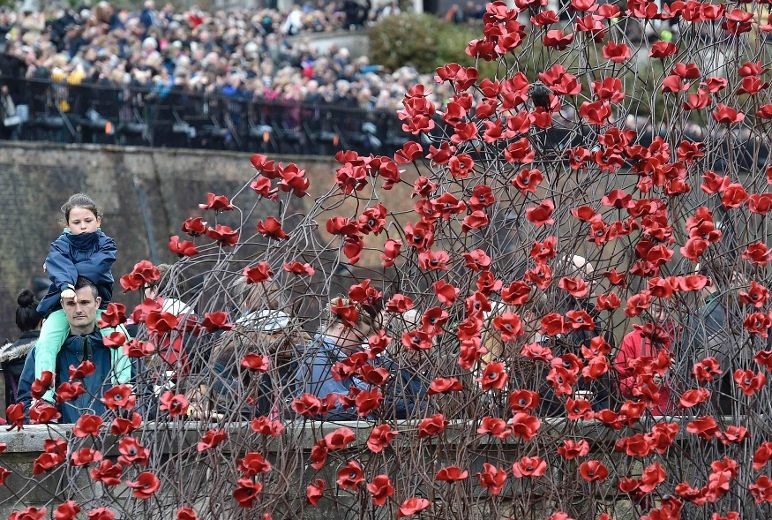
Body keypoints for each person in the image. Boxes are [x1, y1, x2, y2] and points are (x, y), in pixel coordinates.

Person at [34, 193, 117, 403]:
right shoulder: (60, 244)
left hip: (99, 306)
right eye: (77, 222)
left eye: (88, 221)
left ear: (98, 221)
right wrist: (58, 271)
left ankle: (122, 391)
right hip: (64, 308)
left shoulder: (107, 245)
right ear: (68, 225)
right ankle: (44, 399)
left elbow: (96, 270)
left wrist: (60, 272)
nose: (83, 226)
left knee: (121, 340)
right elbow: (57, 261)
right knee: (45, 342)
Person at [17, 277, 132, 423]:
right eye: (71, 303)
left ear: (97, 303)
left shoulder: (122, 346)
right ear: (62, 305)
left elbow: (142, 392)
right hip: (60, 441)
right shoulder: (41, 350)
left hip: (110, 440)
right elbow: (25, 401)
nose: (78, 310)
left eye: (84, 302)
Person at [294, 296, 428, 420]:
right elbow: (330, 408)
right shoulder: (318, 358)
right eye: (359, 338)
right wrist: (371, 397)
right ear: (344, 330)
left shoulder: (342, 356)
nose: (360, 344)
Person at [614, 300, 677, 415]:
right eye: (657, 310)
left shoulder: (680, 337)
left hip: (677, 415)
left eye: (668, 310)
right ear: (647, 309)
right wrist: (645, 380)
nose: (663, 317)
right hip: (643, 416)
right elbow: (619, 386)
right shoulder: (632, 340)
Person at [0, 289, 42, 408]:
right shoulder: (46, 350)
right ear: (42, 321)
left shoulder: (7, 356)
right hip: (45, 415)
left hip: (17, 416)